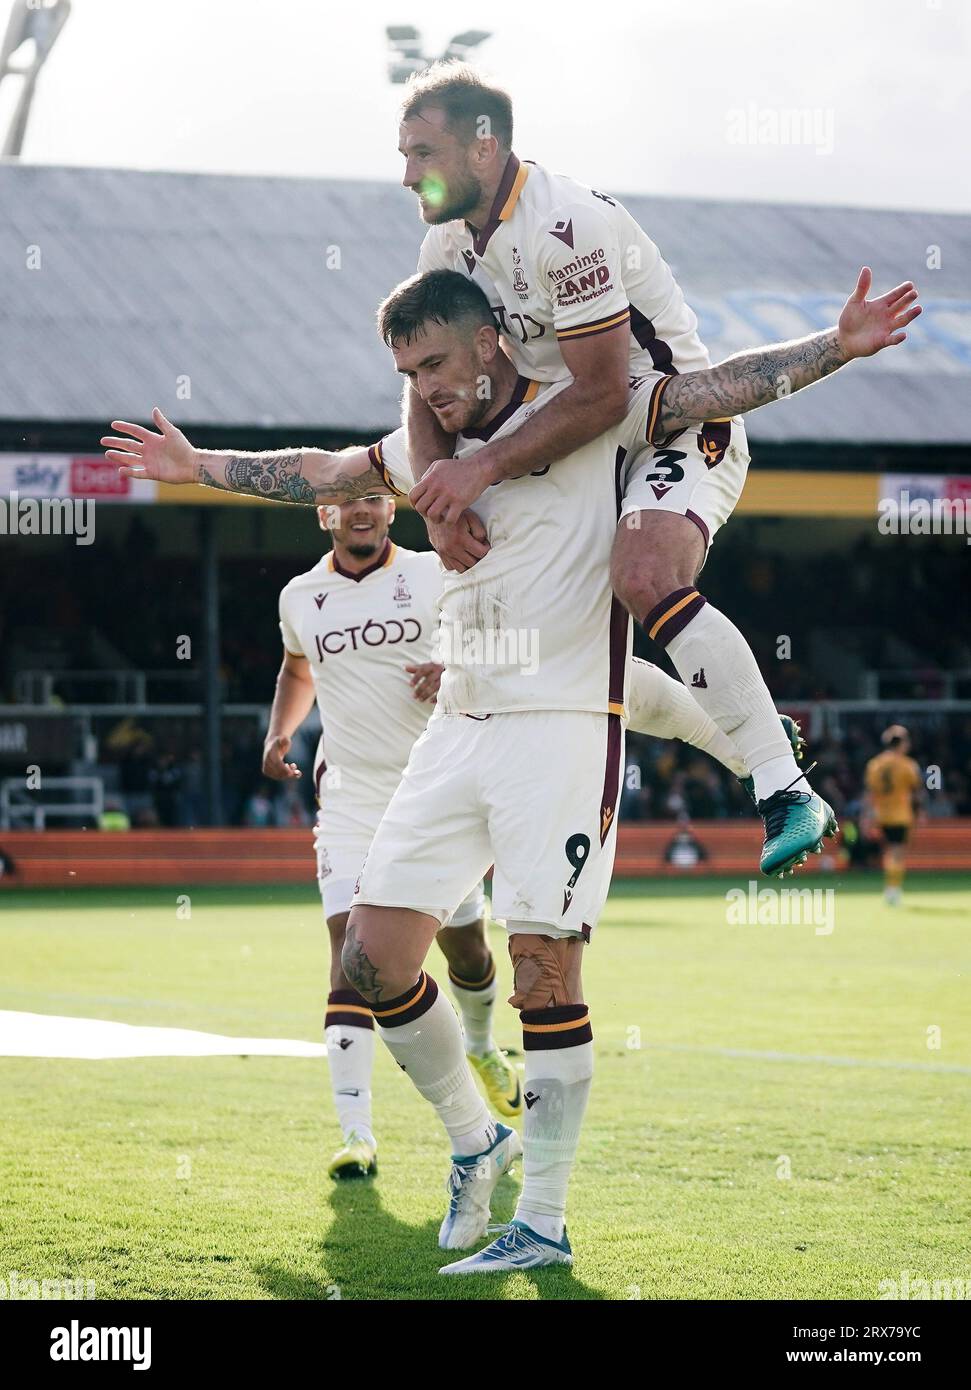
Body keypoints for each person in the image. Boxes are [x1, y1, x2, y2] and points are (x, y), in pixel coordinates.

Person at [103, 258, 918, 1273]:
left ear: (488, 340)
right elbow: (319, 470)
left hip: (561, 725)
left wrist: (835, 348)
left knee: (543, 974)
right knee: (370, 957)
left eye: (438, 361)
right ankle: (474, 1138)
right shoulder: (428, 448)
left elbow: (716, 388)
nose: (429, 386)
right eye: (410, 369)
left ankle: (541, 1216)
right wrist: (202, 465)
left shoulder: (590, 408)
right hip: (456, 725)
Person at [395, 62, 921, 877]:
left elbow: (607, 393)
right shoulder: (444, 243)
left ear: (482, 145)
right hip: (563, 439)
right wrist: (437, 495)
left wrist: (481, 469)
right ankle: (744, 739)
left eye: (422, 152)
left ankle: (784, 790)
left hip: (664, 423)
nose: (407, 176)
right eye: (403, 154)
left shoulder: (565, 225)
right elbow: (426, 381)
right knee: (559, 653)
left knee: (643, 574)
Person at [266, 494, 521, 1180]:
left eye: (372, 498)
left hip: (436, 792)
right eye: (344, 500)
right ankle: (357, 1134)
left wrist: (454, 669)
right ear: (324, 514)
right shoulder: (300, 596)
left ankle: (481, 1044)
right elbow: (298, 668)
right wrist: (280, 729)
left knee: (465, 951)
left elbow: (502, 636)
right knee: (352, 954)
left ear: (390, 510)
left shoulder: (434, 574)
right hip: (349, 798)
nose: (359, 510)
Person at [864, 725, 923, 905]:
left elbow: (869, 793)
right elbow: (916, 791)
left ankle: (891, 888)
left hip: (881, 814)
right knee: (898, 852)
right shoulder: (908, 765)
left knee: (889, 851)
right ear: (902, 743)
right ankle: (893, 889)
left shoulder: (875, 764)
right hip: (901, 814)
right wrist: (919, 812)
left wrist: (866, 816)